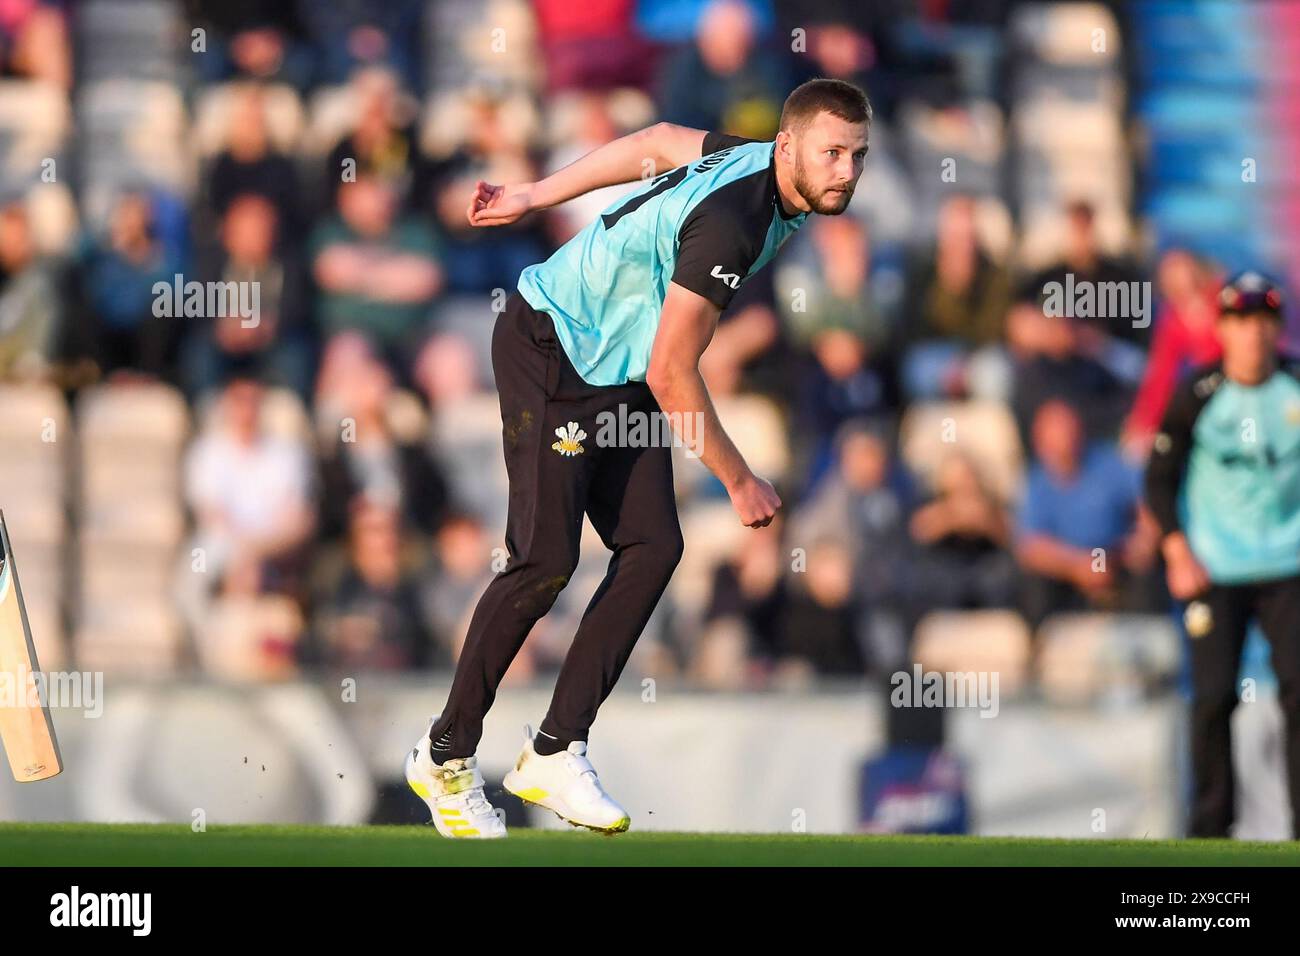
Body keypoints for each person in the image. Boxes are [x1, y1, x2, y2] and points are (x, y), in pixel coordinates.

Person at [403, 78, 873, 839]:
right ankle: (444, 756)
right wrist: (739, 477)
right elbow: (673, 372)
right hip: (552, 348)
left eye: (857, 155)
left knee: (654, 546)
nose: (846, 171)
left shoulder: (759, 163)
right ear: (788, 147)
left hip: (614, 371)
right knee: (543, 559)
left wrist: (533, 194)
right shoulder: (737, 221)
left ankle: (554, 751)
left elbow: (654, 140)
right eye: (832, 153)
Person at [1145, 270, 1300, 839]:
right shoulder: (1198, 393)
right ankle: (1211, 835)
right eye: (1241, 320)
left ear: (1277, 328)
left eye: (1264, 320)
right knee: (1211, 699)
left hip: (1289, 566)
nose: (1253, 334)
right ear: (1223, 328)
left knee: (1299, 693)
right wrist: (1178, 550)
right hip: (1216, 568)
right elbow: (1159, 477)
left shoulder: (1295, 388)